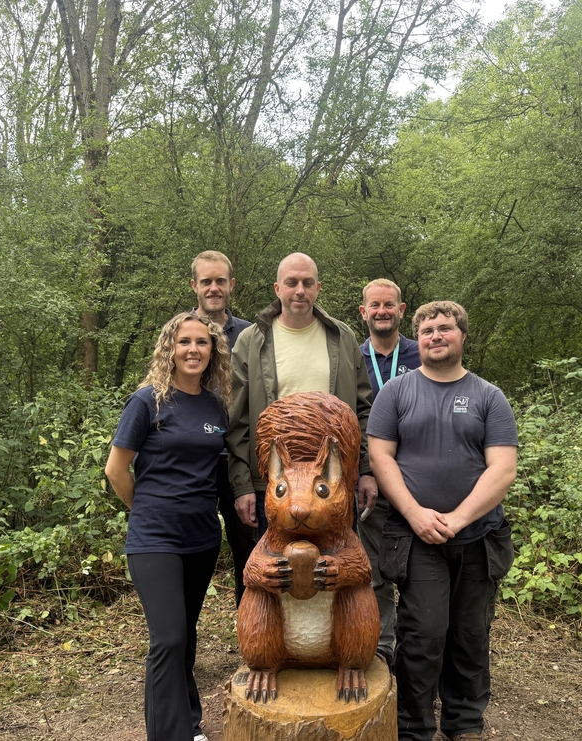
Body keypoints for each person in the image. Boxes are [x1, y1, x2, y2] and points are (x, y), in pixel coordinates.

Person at [367, 301, 518, 741]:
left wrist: (457, 517)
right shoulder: (395, 392)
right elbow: (380, 457)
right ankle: (414, 728)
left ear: (462, 336)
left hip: (479, 536)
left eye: (445, 328)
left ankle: (464, 724)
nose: (436, 335)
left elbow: (502, 469)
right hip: (414, 539)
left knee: (471, 635)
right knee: (423, 635)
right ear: (419, 338)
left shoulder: (489, 396)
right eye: (428, 329)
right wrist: (415, 514)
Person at [104, 312, 231, 741]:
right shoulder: (147, 401)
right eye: (184, 342)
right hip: (155, 537)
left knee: (186, 635)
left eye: (202, 342)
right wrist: (145, 508)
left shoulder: (216, 406)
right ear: (169, 350)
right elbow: (116, 469)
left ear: (213, 351)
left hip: (202, 537)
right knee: (169, 638)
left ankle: (189, 722)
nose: (193, 349)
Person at [226, 252, 378, 536]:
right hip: (274, 485)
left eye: (308, 283)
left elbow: (363, 411)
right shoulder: (250, 342)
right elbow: (237, 421)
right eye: (292, 282)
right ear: (277, 288)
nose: (300, 290)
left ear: (318, 288)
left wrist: (366, 470)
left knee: (336, 572)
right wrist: (243, 485)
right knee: (277, 574)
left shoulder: (342, 337)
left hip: (334, 485)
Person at [358, 278, 422, 665]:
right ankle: (382, 645)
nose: (382, 311)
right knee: (375, 566)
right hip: (371, 481)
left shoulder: (424, 352)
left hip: (418, 479)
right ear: (363, 312)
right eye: (374, 305)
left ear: (401, 310)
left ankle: (416, 647)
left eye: (389, 305)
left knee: (420, 568)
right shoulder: (351, 358)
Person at [190, 250, 257, 606]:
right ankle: (181, 646)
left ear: (231, 285)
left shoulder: (250, 334)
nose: (213, 288)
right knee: (191, 551)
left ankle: (253, 636)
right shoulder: (180, 333)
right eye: (206, 282)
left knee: (249, 546)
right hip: (193, 457)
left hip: (237, 457)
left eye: (220, 281)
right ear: (194, 286)